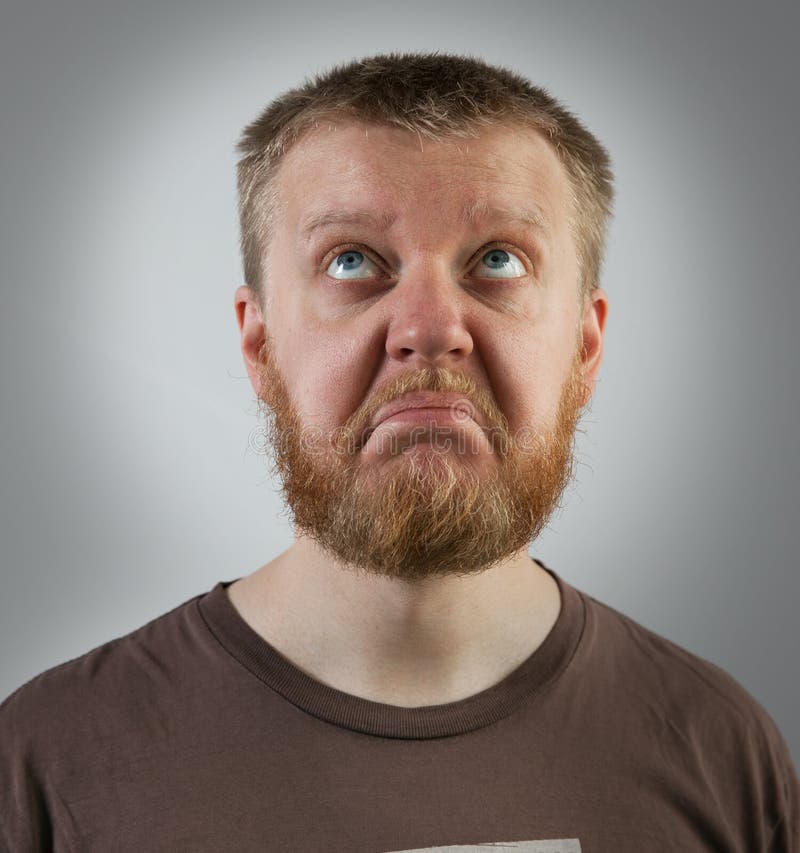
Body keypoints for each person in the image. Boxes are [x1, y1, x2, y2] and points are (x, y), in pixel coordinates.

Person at [1, 53, 797, 853]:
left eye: (498, 260)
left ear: (585, 348)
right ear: (259, 345)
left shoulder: (721, 751)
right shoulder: (45, 760)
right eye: (350, 260)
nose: (428, 329)